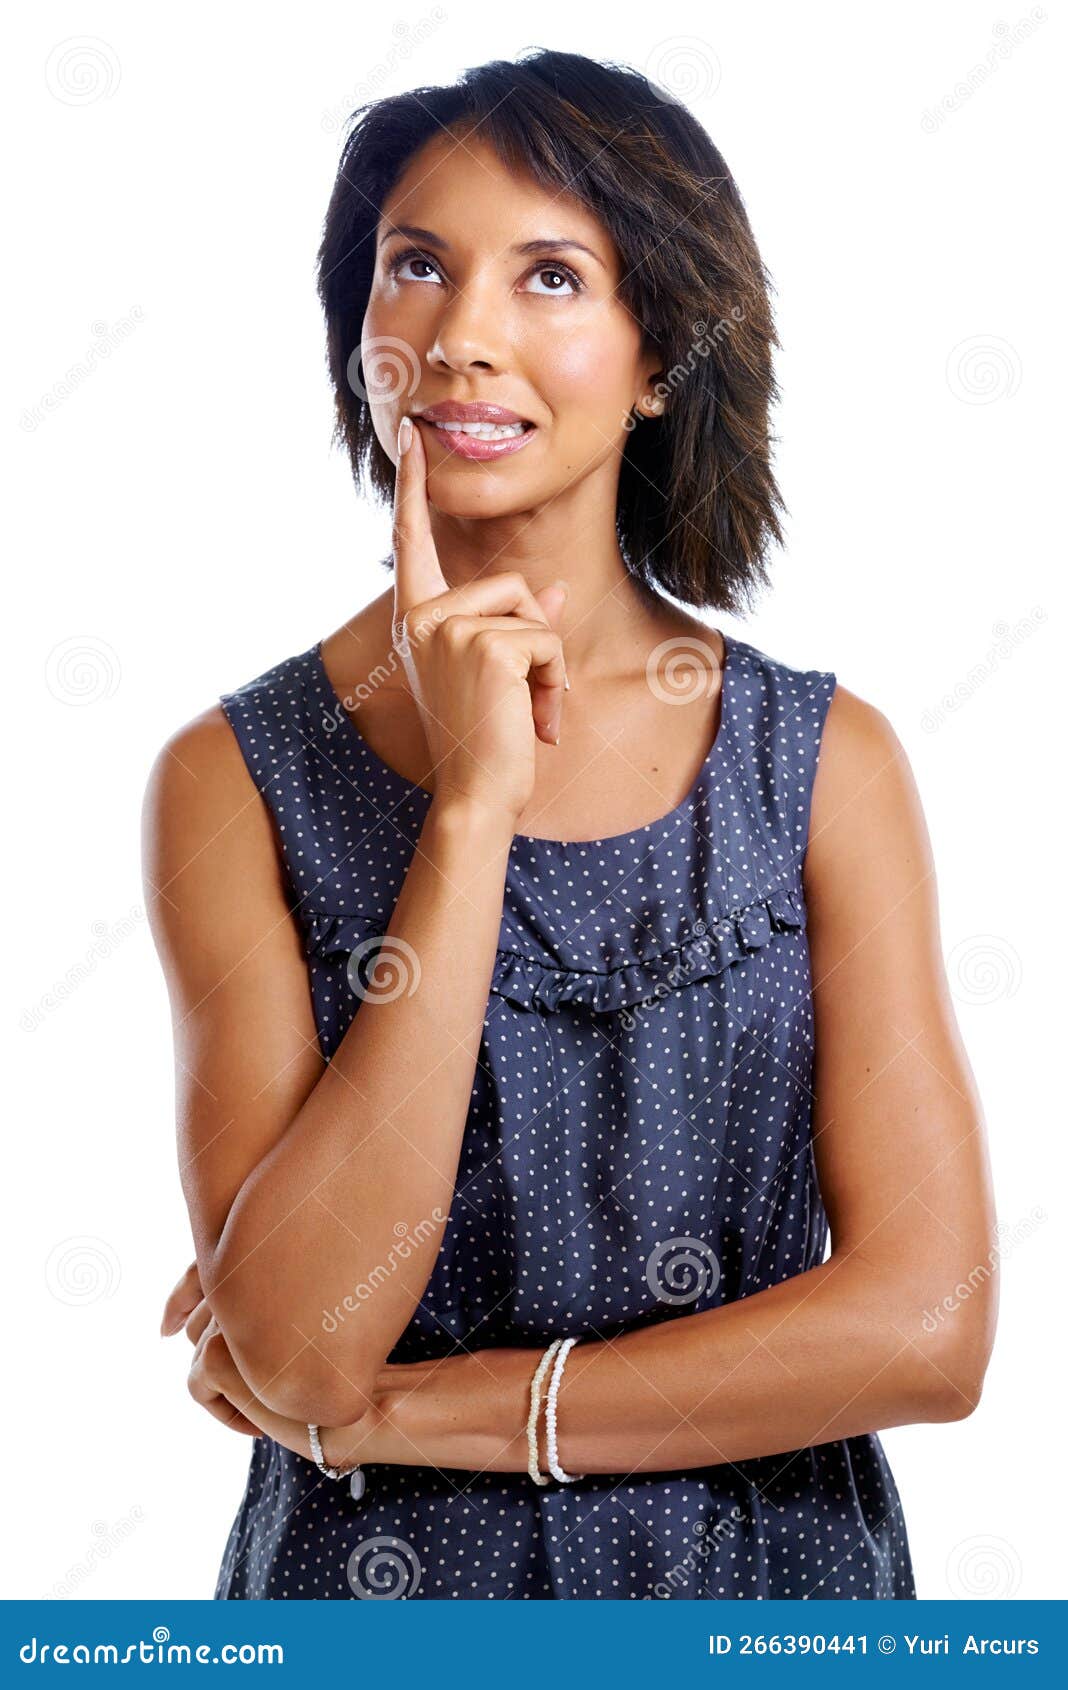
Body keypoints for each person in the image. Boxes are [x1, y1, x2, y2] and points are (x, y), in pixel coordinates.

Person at [144, 48, 997, 1601]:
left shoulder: (822, 763)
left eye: (551, 275)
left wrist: (424, 1411)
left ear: (660, 351)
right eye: (418, 268)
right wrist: (472, 806)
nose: (464, 336)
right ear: (363, 338)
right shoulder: (233, 775)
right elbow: (299, 1339)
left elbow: (928, 1328)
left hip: (766, 1609)